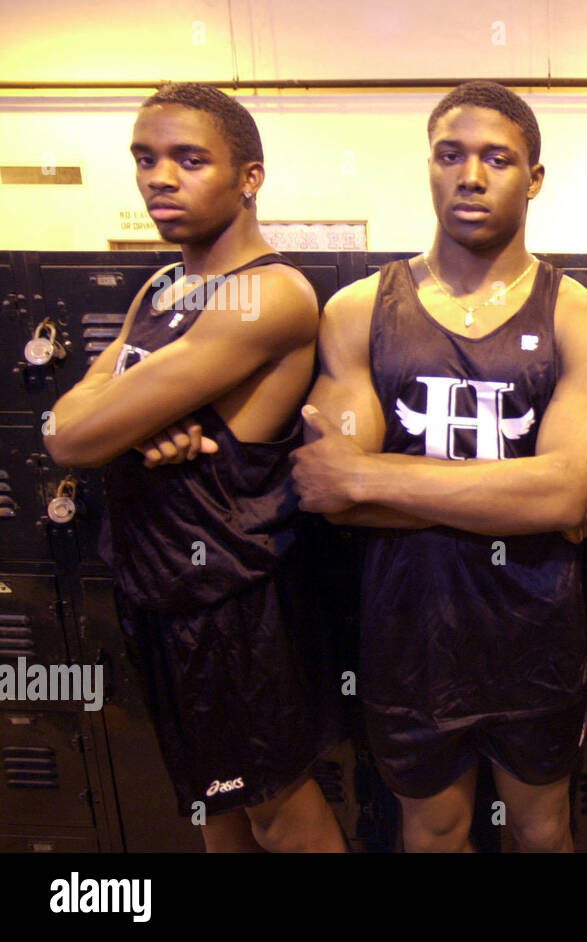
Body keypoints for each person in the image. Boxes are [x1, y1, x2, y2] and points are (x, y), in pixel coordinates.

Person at [288, 80, 587, 853]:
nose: (471, 175)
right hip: (409, 633)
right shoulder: (359, 310)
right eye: (450, 155)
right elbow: (329, 496)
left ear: (533, 179)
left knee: (542, 832)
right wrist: (523, 496)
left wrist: (372, 474)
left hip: (535, 633)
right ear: (429, 167)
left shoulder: (581, 315)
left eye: (497, 159)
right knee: (433, 833)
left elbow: (566, 491)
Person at [43, 82, 345, 852]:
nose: (159, 178)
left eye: (189, 159)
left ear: (249, 177)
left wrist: (114, 417)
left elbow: (74, 441)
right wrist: (121, 415)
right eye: (145, 159)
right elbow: (68, 415)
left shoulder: (270, 295)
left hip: (231, 602)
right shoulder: (164, 284)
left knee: (278, 812)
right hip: (156, 590)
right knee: (214, 808)